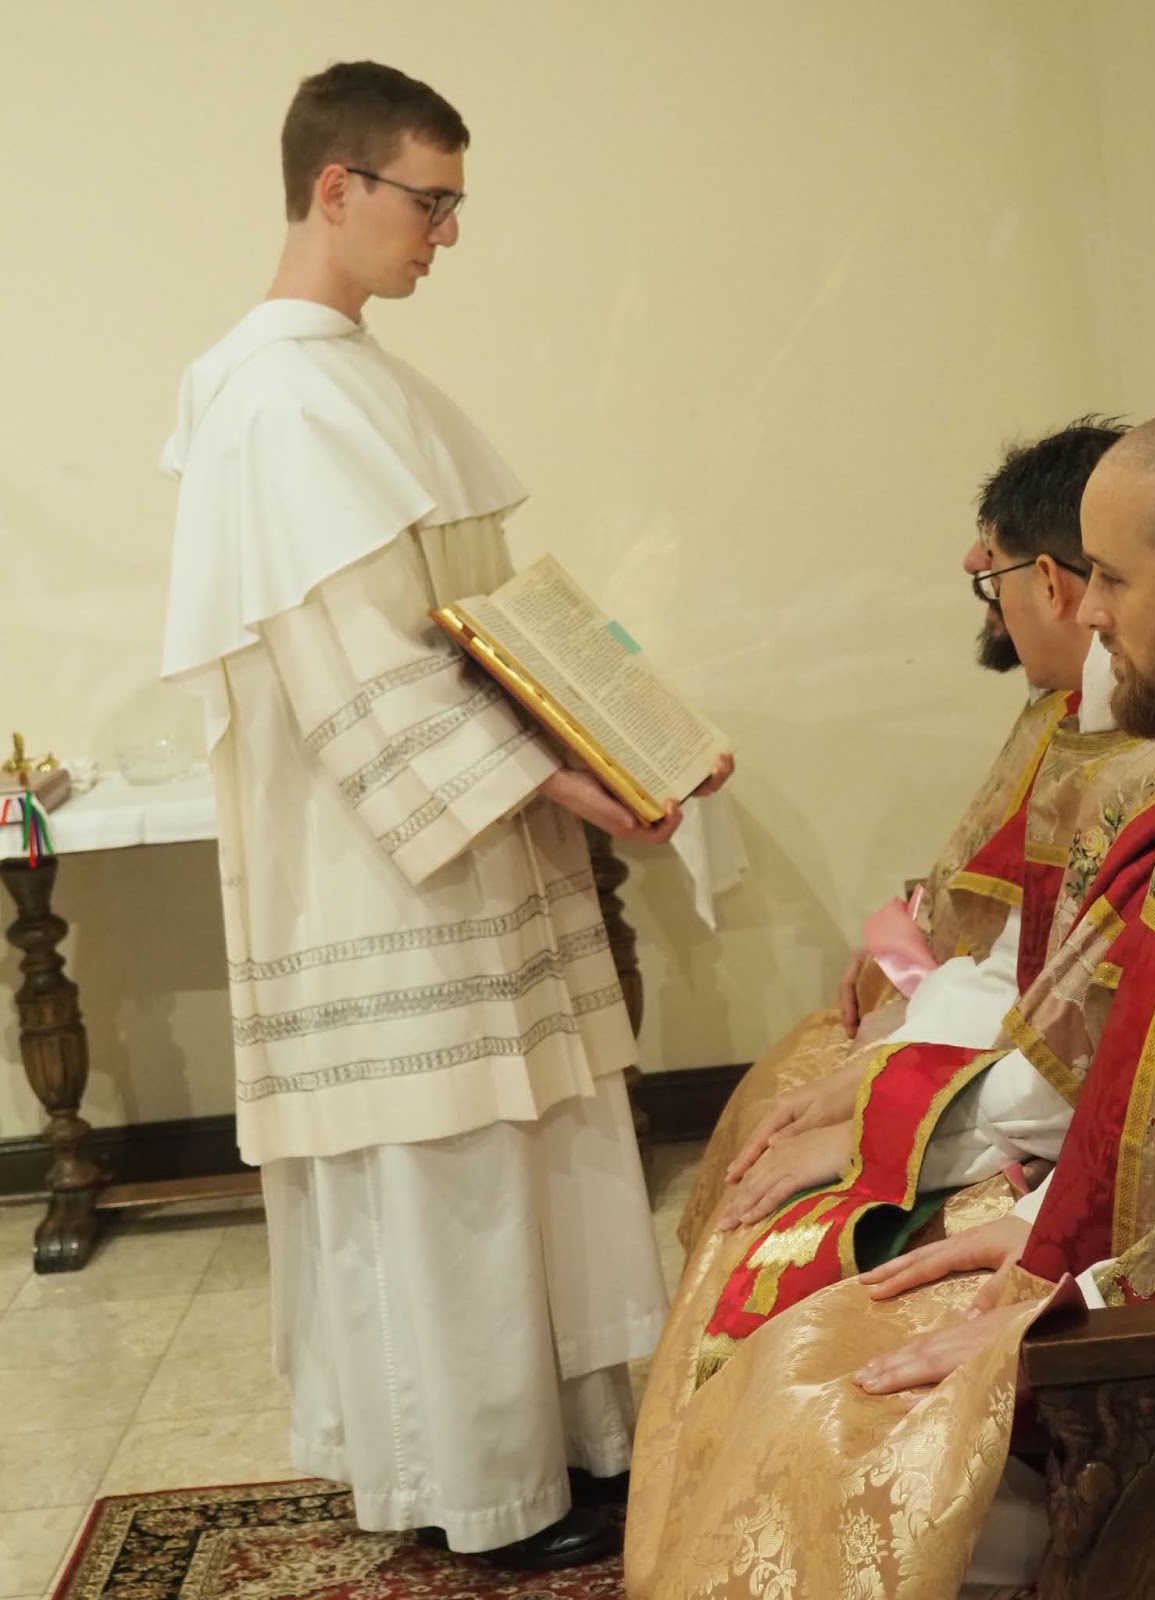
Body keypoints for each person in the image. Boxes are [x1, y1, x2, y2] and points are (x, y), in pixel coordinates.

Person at [160, 60, 731, 1569]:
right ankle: (486, 1489)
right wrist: (570, 781)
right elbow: (360, 669)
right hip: (388, 874)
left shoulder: (359, 378)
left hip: (471, 845)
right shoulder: (278, 400)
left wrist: (620, 721)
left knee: (523, 1143)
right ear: (335, 188)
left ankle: (571, 1448)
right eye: (432, 201)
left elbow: (482, 623)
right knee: (447, 1169)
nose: (449, 233)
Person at [624, 401, 1155, 1600]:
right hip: (1107, 1265)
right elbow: (1128, 1099)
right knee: (792, 1390)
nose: (1088, 613)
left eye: (1113, 578)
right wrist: (1047, 1229)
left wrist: (1080, 1290)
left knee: (820, 1442)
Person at [680, 420, 1124, 1254]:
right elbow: (1034, 961)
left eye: (1120, 583)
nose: (1098, 615)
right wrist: (882, 1081)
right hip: (1022, 1104)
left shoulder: (1151, 758)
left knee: (789, 1251)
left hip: (1085, 1185)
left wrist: (888, 1115)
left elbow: (1114, 1064)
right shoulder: (1092, 729)